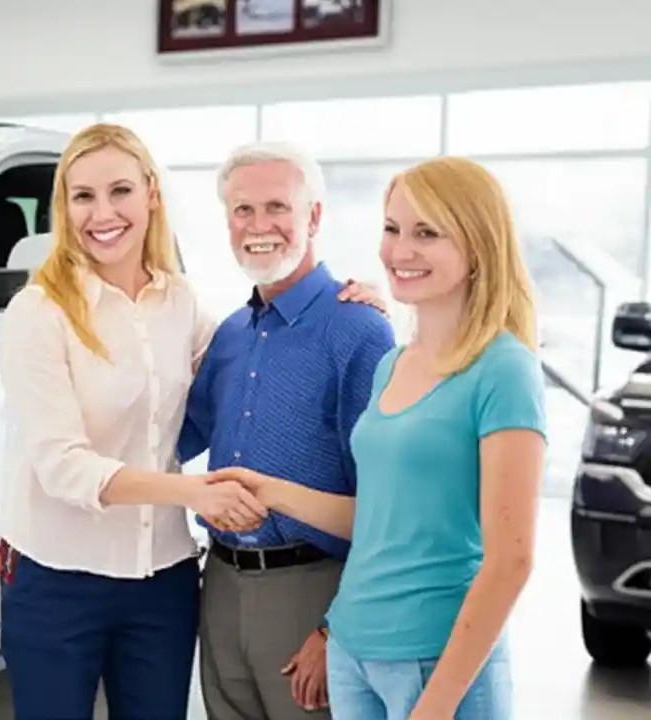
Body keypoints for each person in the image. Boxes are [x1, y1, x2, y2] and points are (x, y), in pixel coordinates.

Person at [0, 124, 383, 719]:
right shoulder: (38, 311)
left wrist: (364, 301)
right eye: (83, 197)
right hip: (61, 573)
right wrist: (195, 492)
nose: (103, 213)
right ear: (64, 209)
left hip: (165, 581)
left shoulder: (186, 307)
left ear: (152, 194)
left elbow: (259, 364)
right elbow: (63, 465)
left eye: (120, 190)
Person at [224, 156, 546, 720]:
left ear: (478, 247)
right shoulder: (393, 364)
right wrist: (270, 491)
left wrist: (437, 704)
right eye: (393, 229)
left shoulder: (504, 369)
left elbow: (511, 561)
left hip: (436, 662)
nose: (401, 250)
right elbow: (377, 518)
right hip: (355, 653)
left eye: (427, 232)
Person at [176, 141, 396, 720]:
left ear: (314, 217)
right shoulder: (228, 335)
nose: (258, 226)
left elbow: (384, 502)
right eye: (242, 210)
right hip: (220, 584)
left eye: (277, 207)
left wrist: (335, 628)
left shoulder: (359, 331)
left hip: (312, 589)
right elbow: (165, 441)